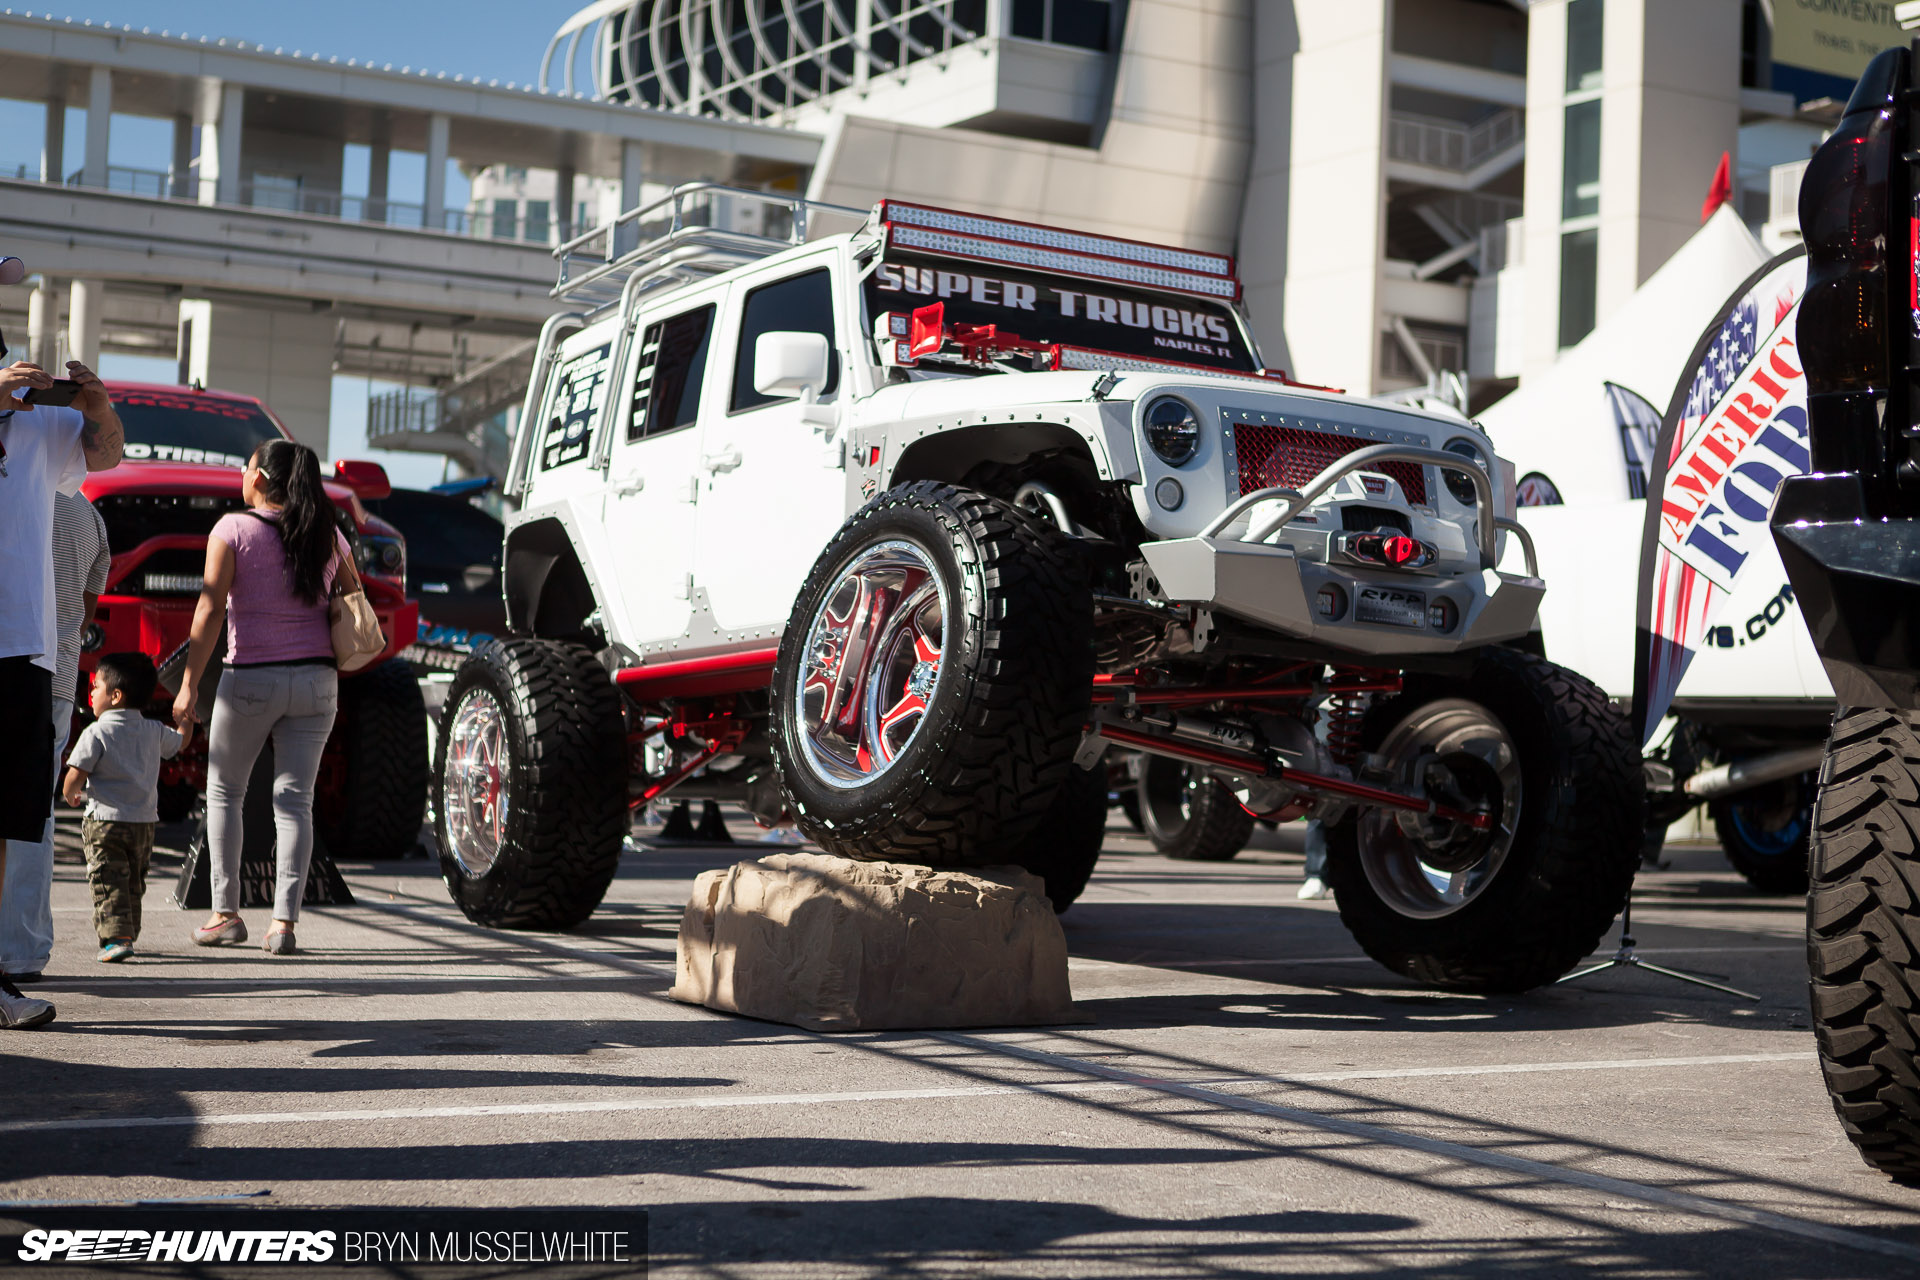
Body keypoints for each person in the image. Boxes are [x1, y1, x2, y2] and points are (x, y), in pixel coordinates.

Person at [0, 255, 125, 1026]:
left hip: (22, 650)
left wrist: (98, 400)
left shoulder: (39, 424)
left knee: (8, 819)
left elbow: (107, 452)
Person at [173, 439, 352, 957]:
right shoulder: (327, 533)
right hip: (318, 680)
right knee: (295, 802)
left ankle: (225, 914)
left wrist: (188, 685)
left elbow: (208, 613)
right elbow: (351, 598)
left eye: (246, 465)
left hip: (251, 676)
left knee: (226, 792)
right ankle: (283, 925)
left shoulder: (232, 529)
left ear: (259, 478)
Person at [1, 490, 109, 983]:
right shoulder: (86, 514)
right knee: (32, 815)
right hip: (57, 676)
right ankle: (22, 950)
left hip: (15, 665)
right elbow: (88, 605)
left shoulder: (17, 492)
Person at [62, 654, 181, 963]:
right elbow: (178, 744)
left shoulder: (96, 732)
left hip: (105, 822)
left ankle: (117, 938)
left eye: (95, 685)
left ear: (115, 696)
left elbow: (77, 770)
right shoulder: (154, 730)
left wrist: (69, 793)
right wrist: (185, 721)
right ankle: (128, 933)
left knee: (107, 878)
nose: (90, 692)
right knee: (133, 880)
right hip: (144, 823)